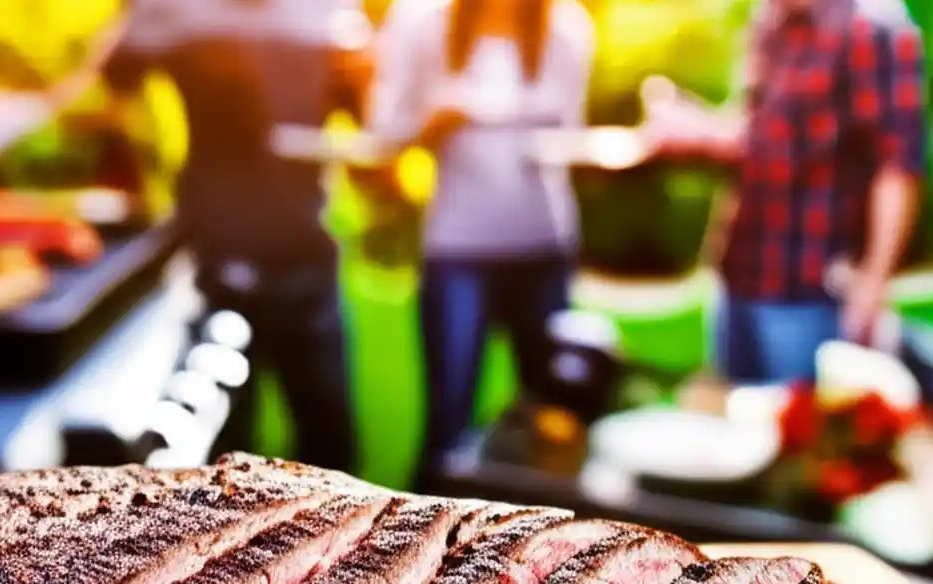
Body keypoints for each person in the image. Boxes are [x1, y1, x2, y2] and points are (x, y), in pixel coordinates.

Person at [102, 0, 368, 472]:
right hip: (215, 248)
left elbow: (363, 104)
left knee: (331, 443)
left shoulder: (327, 10)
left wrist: (361, 80)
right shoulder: (174, 10)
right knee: (216, 450)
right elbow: (114, 85)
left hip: (306, 244)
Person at [367, 0, 593, 480]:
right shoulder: (422, 22)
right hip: (457, 246)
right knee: (449, 428)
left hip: (543, 244)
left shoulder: (566, 28)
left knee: (550, 428)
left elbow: (572, 132)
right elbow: (384, 133)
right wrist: (434, 123)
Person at [646, 0, 926, 384]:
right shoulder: (770, 19)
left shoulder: (873, 27)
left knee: (804, 430)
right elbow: (756, 131)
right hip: (741, 274)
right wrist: (697, 130)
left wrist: (873, 284)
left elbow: (898, 165)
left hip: (811, 288)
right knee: (743, 426)